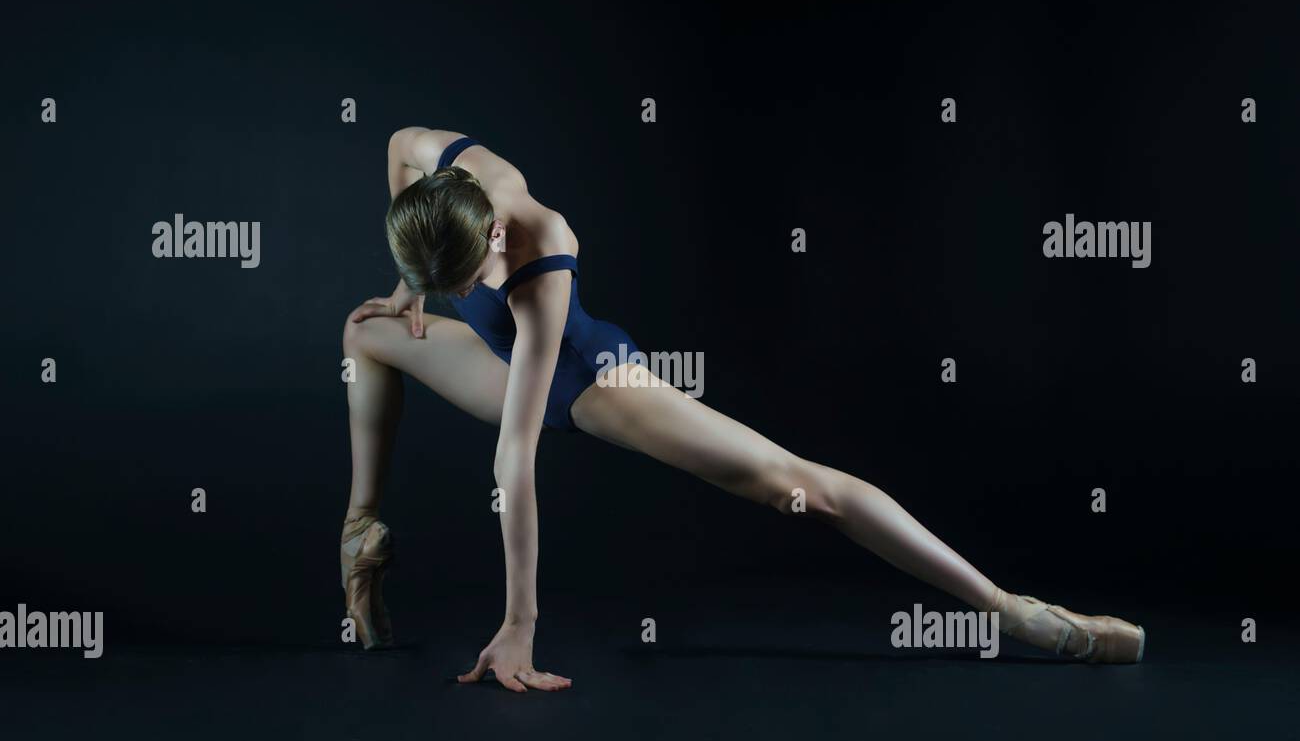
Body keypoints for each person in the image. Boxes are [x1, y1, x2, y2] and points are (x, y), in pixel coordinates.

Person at [340, 128, 1145, 693]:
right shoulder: (444, 164)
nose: (464, 292)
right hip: (504, 361)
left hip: (590, 382)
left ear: (494, 230)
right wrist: (411, 288)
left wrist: (520, 621)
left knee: (799, 487)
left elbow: (514, 457)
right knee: (366, 330)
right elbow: (395, 145)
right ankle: (361, 533)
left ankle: (1016, 612)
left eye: (470, 275)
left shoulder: (541, 253)